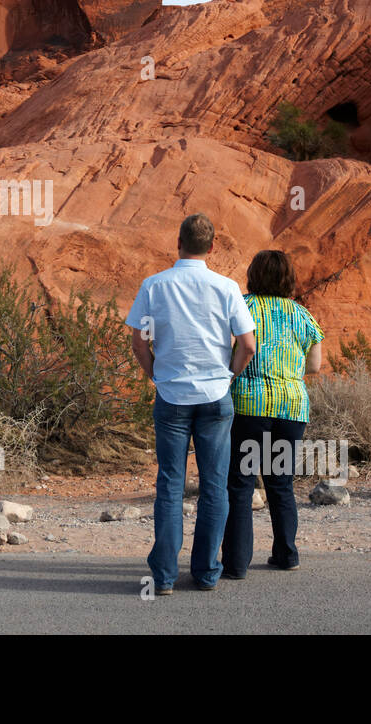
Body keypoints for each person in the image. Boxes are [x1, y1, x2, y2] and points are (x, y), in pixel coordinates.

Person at [126, 214, 256, 594]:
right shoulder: (227, 287)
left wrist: (155, 375)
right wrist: (229, 375)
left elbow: (139, 341)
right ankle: (206, 573)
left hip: (171, 397)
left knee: (170, 485)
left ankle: (164, 576)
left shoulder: (154, 286)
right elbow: (247, 344)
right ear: (213, 247)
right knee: (214, 486)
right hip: (215, 396)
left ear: (177, 242)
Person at [222, 249, 323, 578]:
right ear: (288, 278)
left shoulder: (244, 307)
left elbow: (229, 349)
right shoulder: (303, 315)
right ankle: (286, 554)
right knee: (280, 482)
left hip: (250, 407)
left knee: (241, 484)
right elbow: (316, 365)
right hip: (291, 408)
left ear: (253, 275)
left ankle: (236, 564)